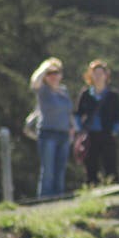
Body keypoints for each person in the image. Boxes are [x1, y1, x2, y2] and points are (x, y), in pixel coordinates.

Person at [29, 57, 74, 198]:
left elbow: (69, 112)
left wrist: (73, 129)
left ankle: (59, 198)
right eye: (50, 73)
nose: (54, 76)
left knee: (60, 170)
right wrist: (45, 67)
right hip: (47, 133)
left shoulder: (64, 91)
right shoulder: (43, 91)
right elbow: (34, 81)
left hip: (64, 134)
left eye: (56, 72)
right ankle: (45, 199)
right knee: (48, 171)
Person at [75, 59, 119, 185]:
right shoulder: (86, 94)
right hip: (90, 135)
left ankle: (113, 190)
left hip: (107, 134)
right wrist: (81, 130)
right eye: (95, 73)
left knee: (110, 165)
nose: (98, 76)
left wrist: (114, 131)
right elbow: (78, 114)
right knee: (91, 166)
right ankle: (92, 190)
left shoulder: (113, 95)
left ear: (106, 75)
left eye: (100, 73)